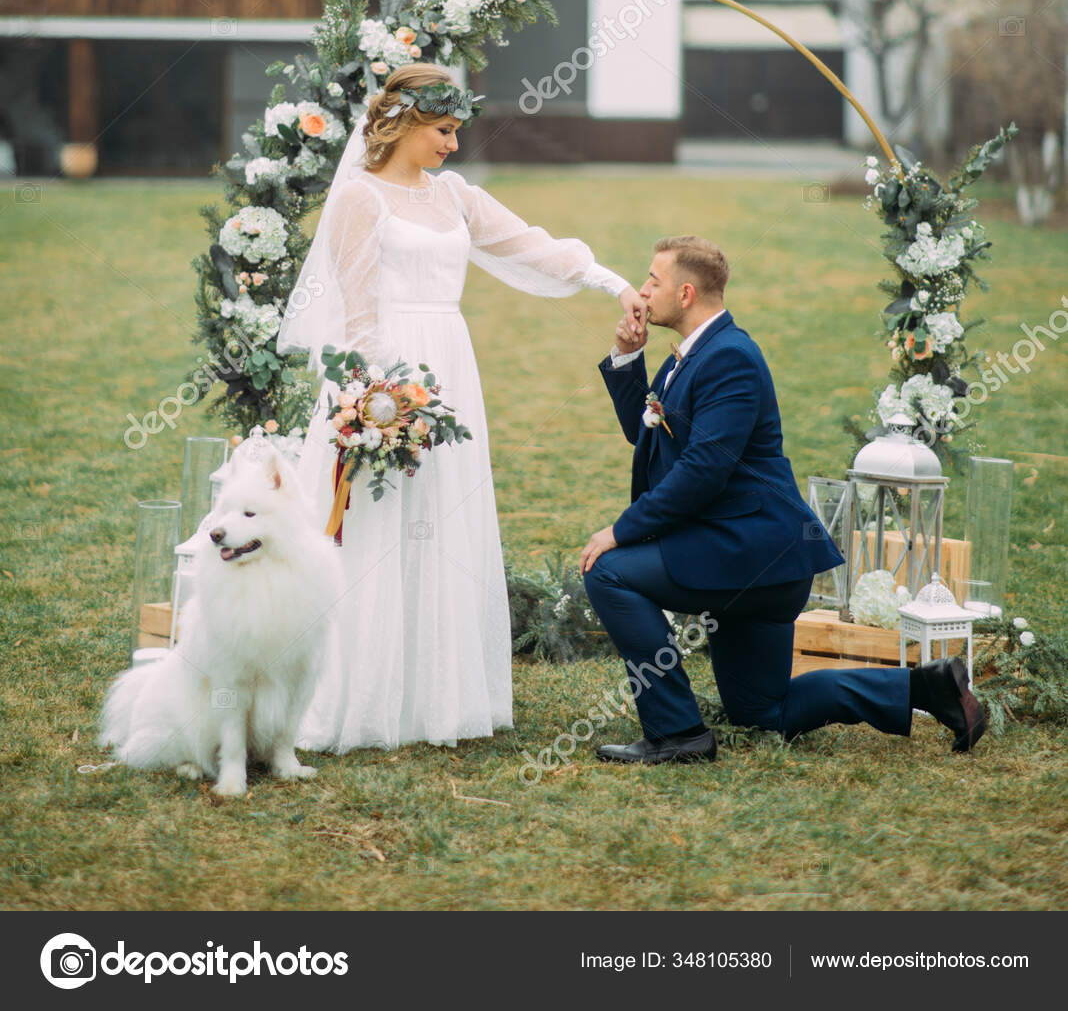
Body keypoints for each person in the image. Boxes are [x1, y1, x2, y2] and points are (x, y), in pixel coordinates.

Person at [277, 63, 644, 751]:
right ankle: (362, 697)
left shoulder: (455, 198)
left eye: (455, 132)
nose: (452, 143)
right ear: (405, 123)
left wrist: (611, 281)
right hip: (385, 378)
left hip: (450, 362)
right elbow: (357, 311)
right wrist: (377, 401)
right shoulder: (359, 199)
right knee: (380, 525)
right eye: (443, 130)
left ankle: (436, 698)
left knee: (441, 518)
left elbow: (532, 246)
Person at [580, 235, 988, 764]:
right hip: (746, 562)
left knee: (607, 571)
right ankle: (927, 689)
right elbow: (649, 437)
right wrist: (627, 359)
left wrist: (620, 531)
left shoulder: (731, 358)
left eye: (652, 281)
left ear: (684, 293)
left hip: (750, 557)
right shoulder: (693, 355)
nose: (640, 290)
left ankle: (677, 733)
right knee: (763, 711)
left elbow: (703, 472)